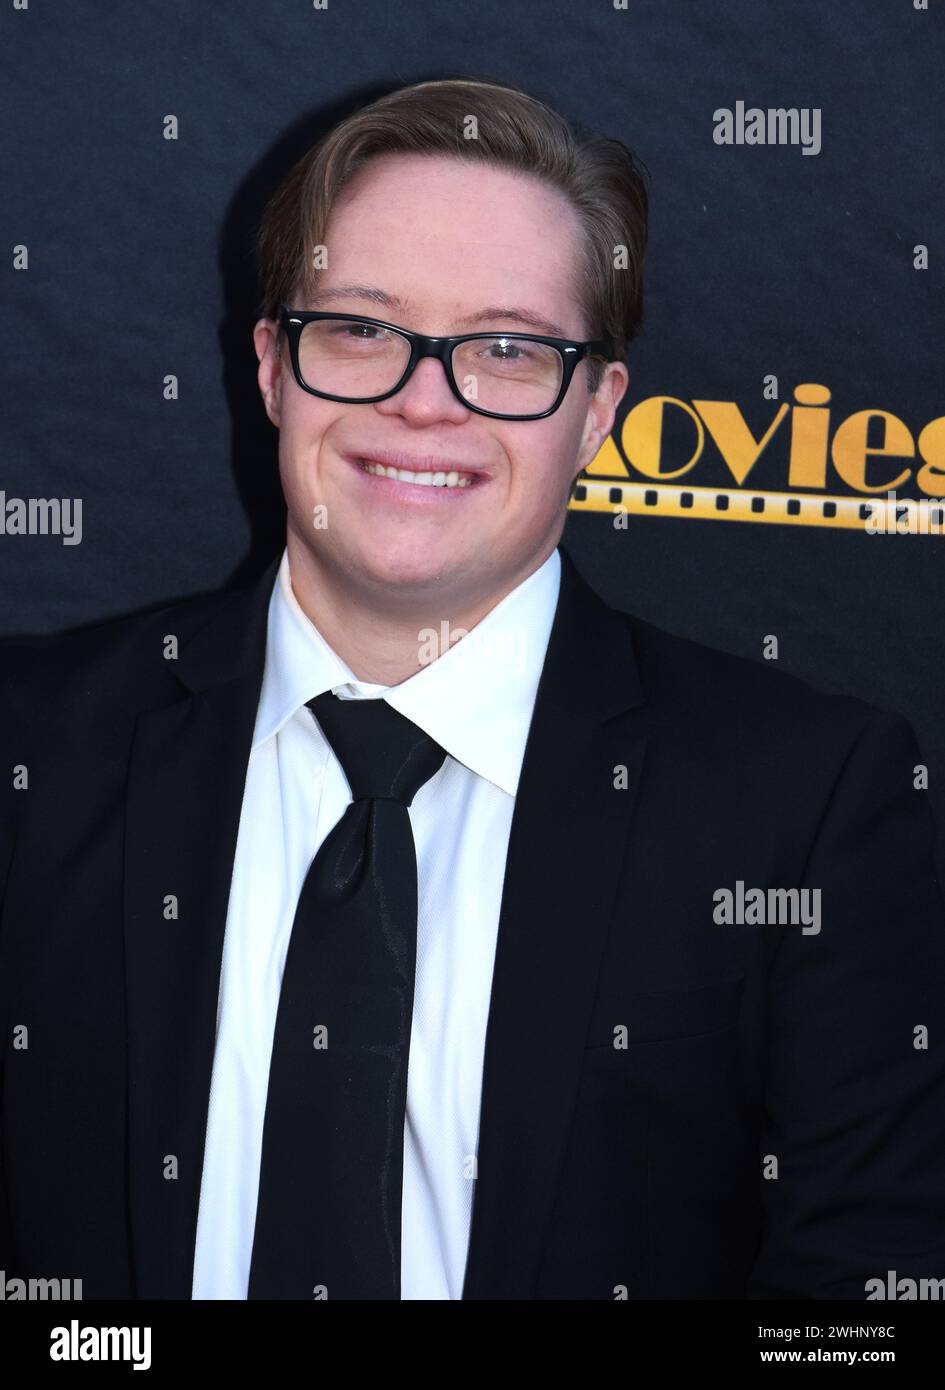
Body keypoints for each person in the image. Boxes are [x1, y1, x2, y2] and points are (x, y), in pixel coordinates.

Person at [1, 75, 944, 1302]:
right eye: (361, 329)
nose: (421, 398)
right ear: (274, 367)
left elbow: (867, 1297)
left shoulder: (809, 804)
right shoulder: (32, 755)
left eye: (507, 348)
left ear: (598, 409)